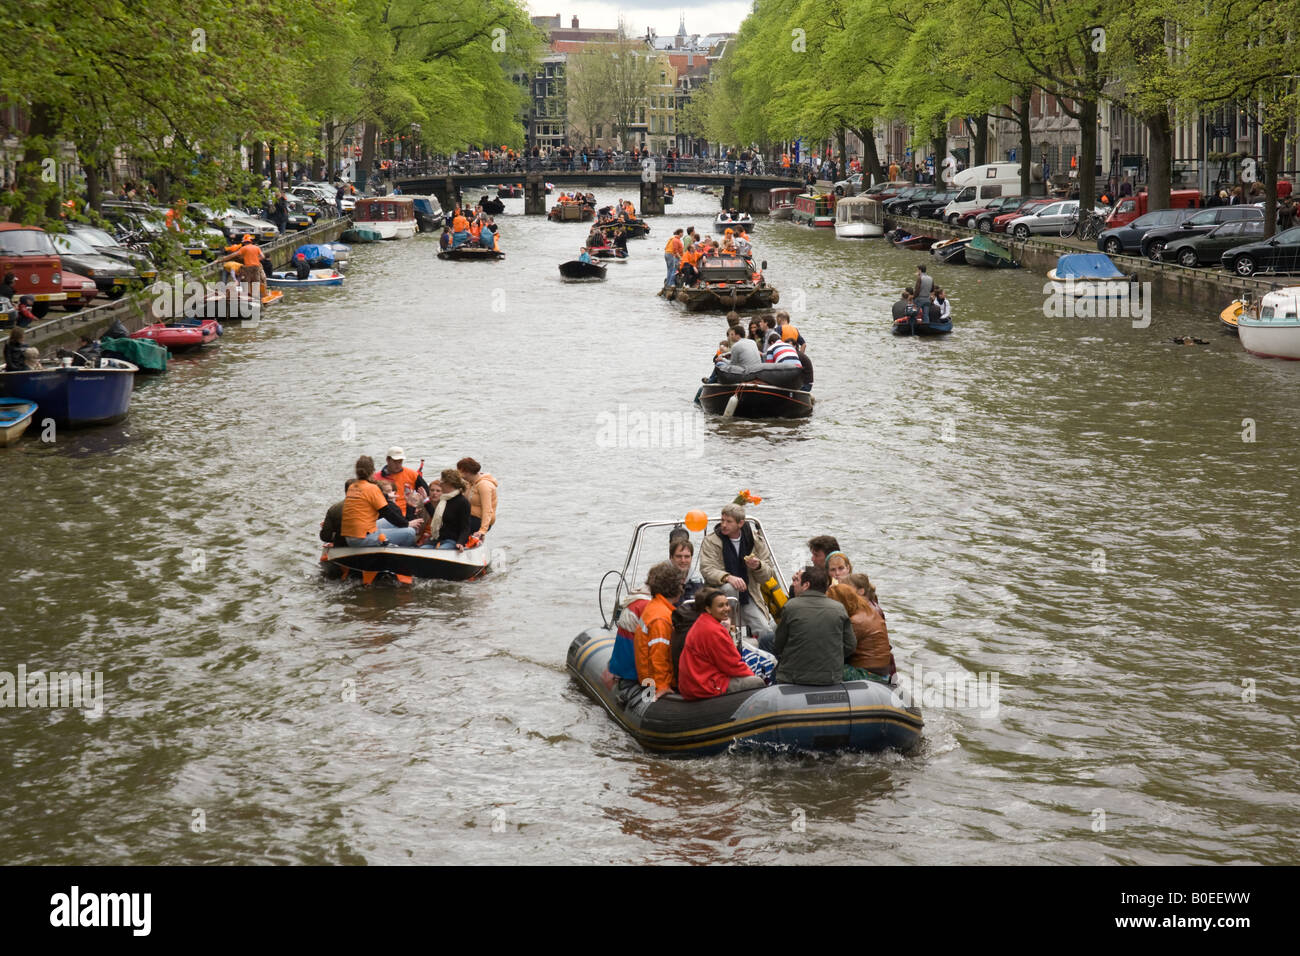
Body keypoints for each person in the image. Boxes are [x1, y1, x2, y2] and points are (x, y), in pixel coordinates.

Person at [698, 502, 776, 634]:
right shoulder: (711, 541)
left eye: (729, 522)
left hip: (748, 594)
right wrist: (727, 577)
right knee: (730, 587)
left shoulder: (755, 541)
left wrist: (758, 566)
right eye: (722, 520)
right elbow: (707, 569)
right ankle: (731, 630)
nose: (723, 525)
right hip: (719, 595)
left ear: (740, 524)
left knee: (765, 631)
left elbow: (768, 575)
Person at [771, 565, 856, 685]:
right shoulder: (839, 608)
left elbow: (778, 644)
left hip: (793, 677)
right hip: (830, 678)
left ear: (806, 585)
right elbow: (850, 645)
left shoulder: (791, 606)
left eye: (797, 581)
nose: (793, 585)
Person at [677, 589, 766, 700]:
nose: (726, 609)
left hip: (693, 682)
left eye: (727, 605)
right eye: (720, 606)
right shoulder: (714, 631)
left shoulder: (702, 622)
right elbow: (733, 665)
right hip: (703, 685)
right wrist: (752, 675)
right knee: (756, 682)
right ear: (708, 609)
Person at [631, 561, 684, 704]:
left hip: (647, 676)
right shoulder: (661, 618)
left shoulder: (654, 606)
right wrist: (662, 686)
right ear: (675, 587)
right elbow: (658, 656)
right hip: (652, 681)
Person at [340, 456, 419, 547]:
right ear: (372, 471)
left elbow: (368, 496)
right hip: (363, 537)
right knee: (410, 532)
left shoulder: (352, 487)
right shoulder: (372, 488)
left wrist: (386, 496)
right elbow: (387, 512)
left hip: (350, 537)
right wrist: (407, 524)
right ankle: (402, 554)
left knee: (390, 522)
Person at [828, 582, 894, 682]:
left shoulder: (856, 621)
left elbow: (838, 650)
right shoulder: (867, 611)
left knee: (823, 669)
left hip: (869, 674)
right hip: (881, 671)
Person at [371, 447, 428, 521]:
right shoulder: (375, 478)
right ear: (388, 460)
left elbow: (427, 493)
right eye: (395, 461)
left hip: (408, 513)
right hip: (385, 515)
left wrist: (418, 505)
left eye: (400, 461)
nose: (398, 465)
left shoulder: (412, 474)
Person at [421, 468, 471, 549]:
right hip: (438, 538)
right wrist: (426, 501)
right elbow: (437, 517)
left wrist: (460, 542)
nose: (440, 484)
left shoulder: (462, 502)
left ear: (449, 484)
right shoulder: (444, 499)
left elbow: (466, 527)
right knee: (423, 550)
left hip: (452, 540)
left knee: (441, 551)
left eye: (442, 481)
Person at [457, 456, 497, 537]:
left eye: (459, 472)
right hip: (469, 517)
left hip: (480, 521)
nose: (459, 475)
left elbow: (487, 510)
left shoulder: (484, 485)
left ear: (467, 472)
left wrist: (482, 530)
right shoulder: (469, 483)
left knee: (453, 526)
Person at [221, 236, 269, 302]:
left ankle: (250, 297)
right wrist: (256, 260)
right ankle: (257, 296)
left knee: (247, 282)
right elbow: (262, 256)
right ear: (251, 242)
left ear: (244, 242)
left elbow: (235, 255)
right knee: (256, 282)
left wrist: (222, 259)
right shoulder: (257, 248)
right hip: (256, 267)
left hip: (249, 267)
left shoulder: (243, 249)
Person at [669, 534, 705, 607]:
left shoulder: (697, 581)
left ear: (691, 558)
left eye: (687, 557)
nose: (683, 560)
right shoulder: (662, 581)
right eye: (679, 556)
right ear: (671, 558)